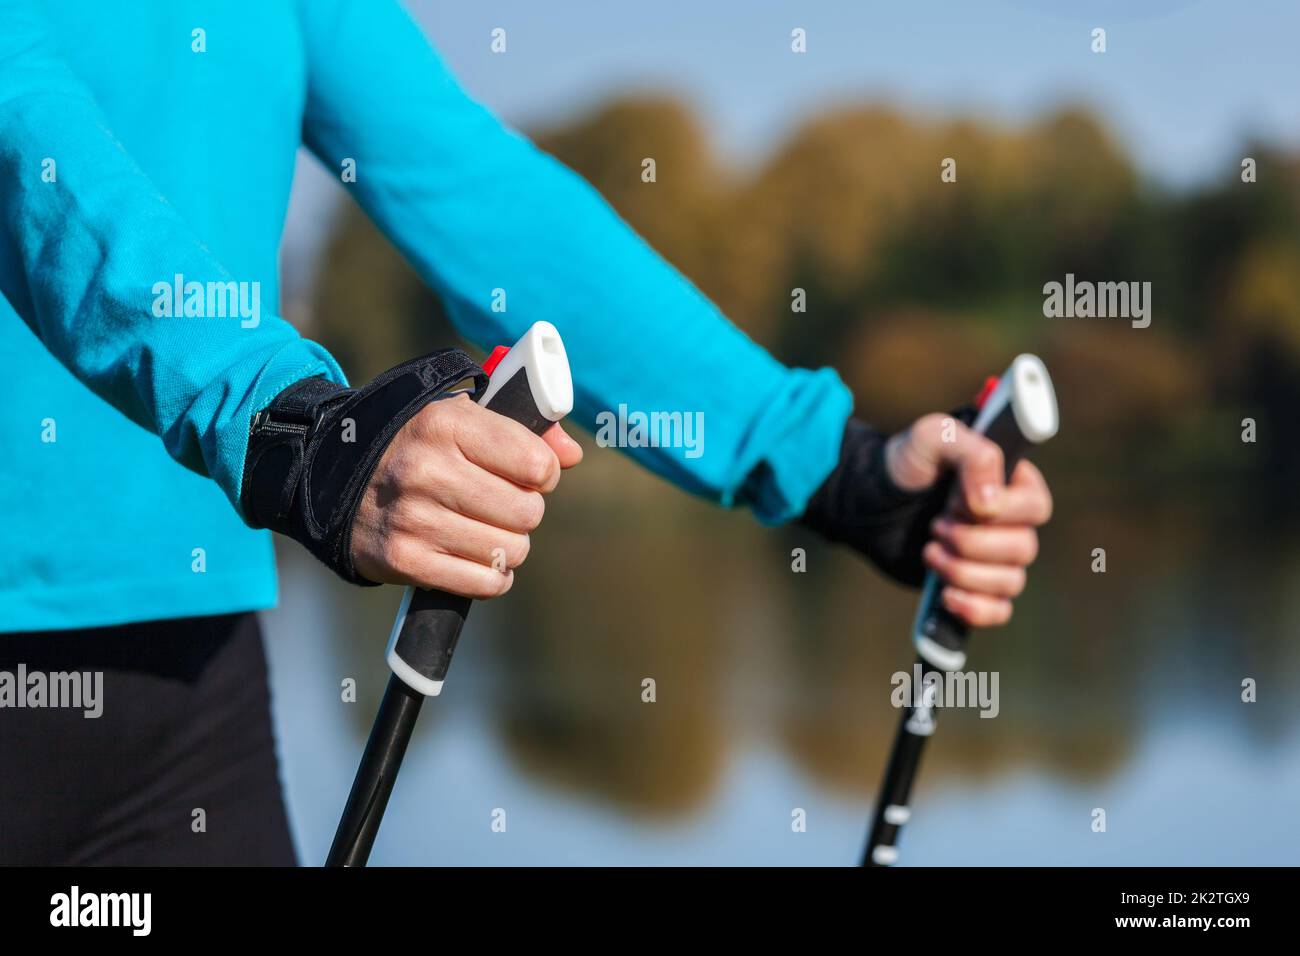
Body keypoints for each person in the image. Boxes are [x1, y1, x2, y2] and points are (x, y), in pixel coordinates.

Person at [0, 0, 1052, 865]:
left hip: (189, 697)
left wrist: (826, 461)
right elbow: (25, 137)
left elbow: (478, 194)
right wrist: (288, 424)